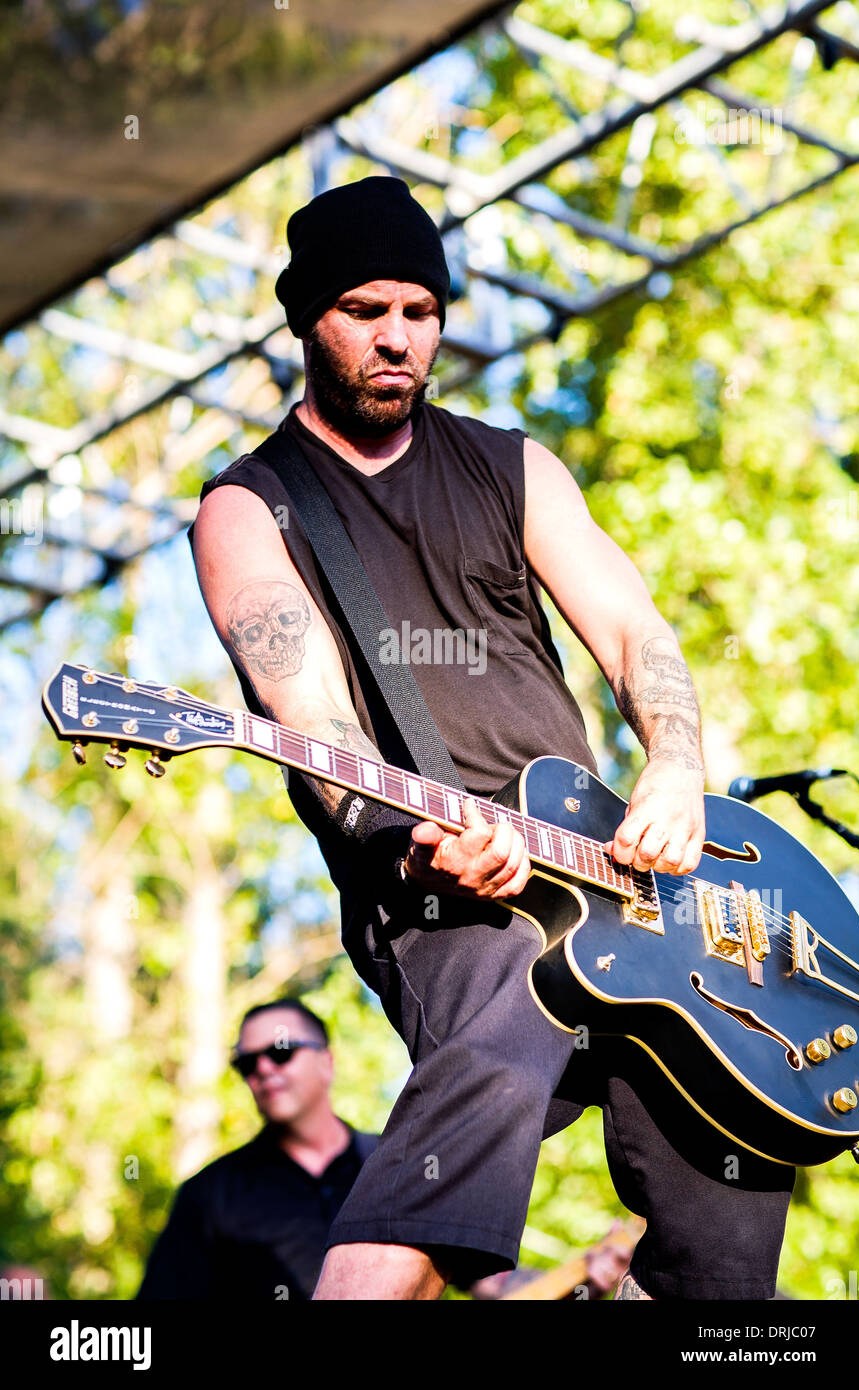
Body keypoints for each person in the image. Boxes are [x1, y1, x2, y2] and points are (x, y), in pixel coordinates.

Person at [190, 175, 794, 1301]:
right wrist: (411, 833)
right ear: (304, 319)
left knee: (732, 1122)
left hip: (603, 867)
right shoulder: (251, 505)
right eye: (364, 310)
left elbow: (629, 630)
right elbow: (308, 714)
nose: (396, 338)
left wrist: (673, 759)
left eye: (419, 312)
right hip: (435, 886)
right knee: (509, 996)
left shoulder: (513, 466)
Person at [137, 998, 377, 1300]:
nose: (263, 1069)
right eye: (247, 1063)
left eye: (281, 1052)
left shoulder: (394, 1167)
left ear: (326, 1063)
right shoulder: (211, 1193)